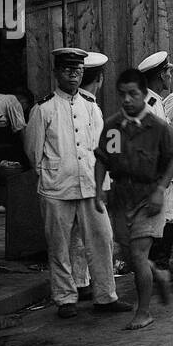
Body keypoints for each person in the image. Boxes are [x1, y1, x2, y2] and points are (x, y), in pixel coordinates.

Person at [24, 48, 131, 319]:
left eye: (78, 70)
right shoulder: (43, 108)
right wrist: (50, 174)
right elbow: (33, 152)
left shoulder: (90, 106)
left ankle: (106, 296)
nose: (73, 74)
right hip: (57, 187)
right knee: (59, 246)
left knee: (102, 240)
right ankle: (65, 298)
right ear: (56, 73)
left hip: (90, 185)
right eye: (67, 70)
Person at [94, 69, 173, 330]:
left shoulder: (158, 127)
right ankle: (158, 274)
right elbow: (104, 159)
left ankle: (144, 311)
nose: (127, 100)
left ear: (144, 94)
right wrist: (98, 189)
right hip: (121, 197)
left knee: (139, 254)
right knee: (130, 255)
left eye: (133, 94)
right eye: (123, 95)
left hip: (147, 197)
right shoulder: (114, 126)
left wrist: (160, 189)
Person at [138, 51, 173, 278]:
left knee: (170, 217)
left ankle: (163, 263)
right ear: (160, 75)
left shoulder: (155, 101)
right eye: (168, 72)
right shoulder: (147, 103)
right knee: (158, 220)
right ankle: (155, 267)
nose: (170, 77)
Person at [70, 50, 110, 299]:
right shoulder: (92, 107)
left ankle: (80, 281)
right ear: (99, 79)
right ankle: (98, 287)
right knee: (99, 237)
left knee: (74, 236)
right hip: (89, 181)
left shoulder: (80, 104)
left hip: (67, 182)